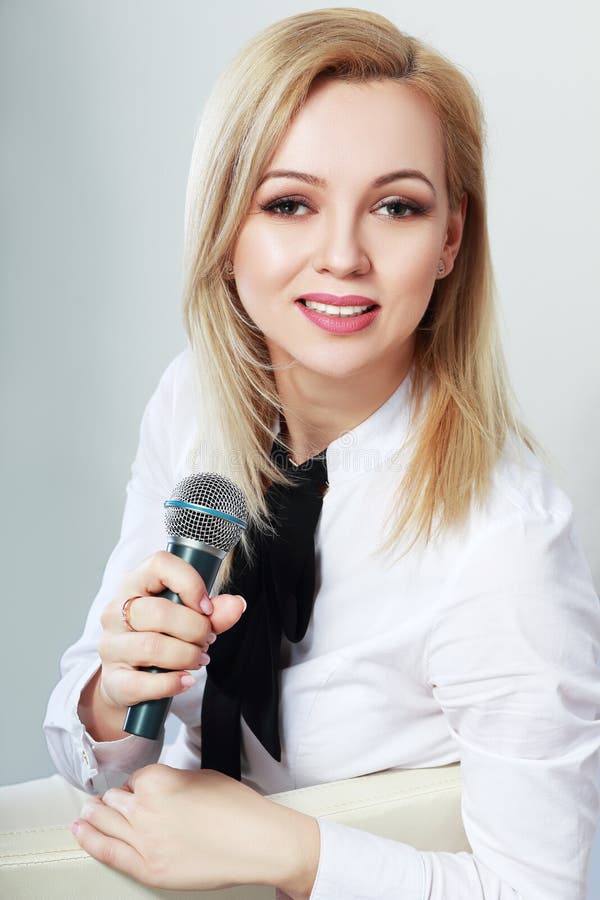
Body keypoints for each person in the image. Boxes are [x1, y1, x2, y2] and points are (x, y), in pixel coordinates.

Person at [43, 8, 600, 899]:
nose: (342, 256)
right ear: (227, 229)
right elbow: (97, 754)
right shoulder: (192, 404)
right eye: (289, 203)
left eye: (396, 207)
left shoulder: (506, 544)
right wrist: (114, 693)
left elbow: (541, 891)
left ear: (450, 239)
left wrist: (294, 851)